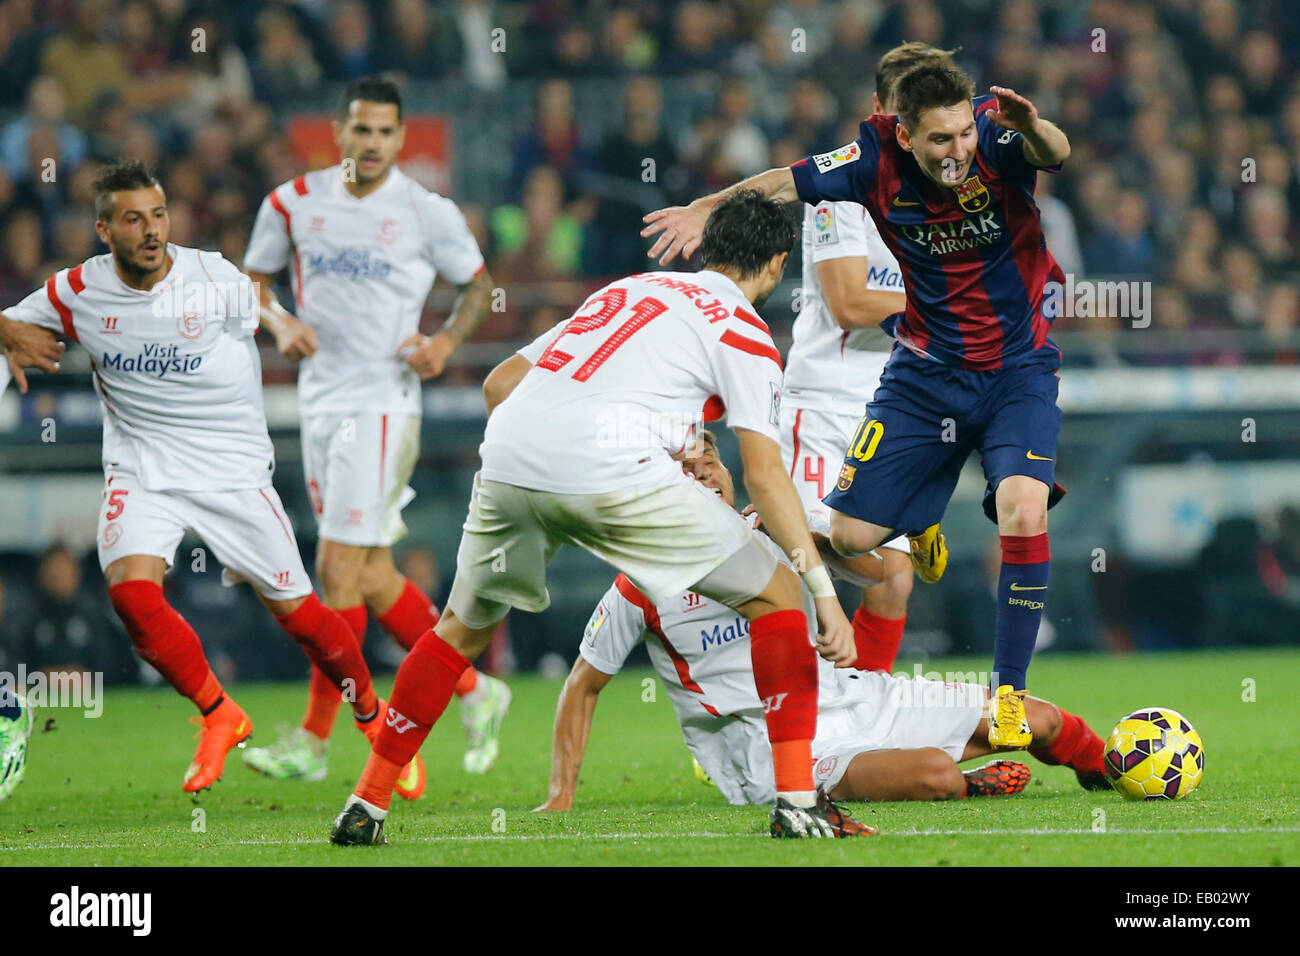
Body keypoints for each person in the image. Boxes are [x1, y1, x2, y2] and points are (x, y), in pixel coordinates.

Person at [331, 191, 866, 846]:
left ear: (708, 248)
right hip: (615, 467)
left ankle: (366, 804)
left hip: (511, 453)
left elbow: (499, 384)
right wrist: (823, 594)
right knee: (777, 593)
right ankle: (797, 803)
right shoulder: (744, 330)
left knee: (457, 632)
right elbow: (763, 475)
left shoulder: (628, 290)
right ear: (779, 261)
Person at [643, 63, 1072, 751]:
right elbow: (781, 182)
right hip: (924, 377)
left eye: (963, 133)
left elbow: (1055, 151)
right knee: (850, 540)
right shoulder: (869, 163)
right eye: (939, 140)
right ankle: (917, 519)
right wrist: (706, 207)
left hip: (1016, 372)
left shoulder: (996, 137)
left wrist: (1033, 126)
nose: (957, 150)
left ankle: (1009, 691)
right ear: (904, 134)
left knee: (1023, 507)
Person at [0, 161, 401, 793]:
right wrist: (5, 331)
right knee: (133, 598)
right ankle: (219, 713)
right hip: (142, 468)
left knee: (301, 617)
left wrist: (284, 325)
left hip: (230, 469)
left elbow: (259, 298)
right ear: (105, 230)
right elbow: (12, 327)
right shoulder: (76, 291)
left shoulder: (209, 276)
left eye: (159, 215)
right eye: (134, 219)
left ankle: (375, 719)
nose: (151, 230)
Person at [536, 431, 1109, 809]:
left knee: (1038, 719)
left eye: (710, 462)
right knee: (935, 773)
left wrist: (807, 539)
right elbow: (583, 685)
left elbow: (878, 571)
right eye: (686, 469)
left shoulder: (776, 530)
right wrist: (562, 793)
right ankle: (960, 785)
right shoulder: (641, 584)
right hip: (771, 749)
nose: (704, 473)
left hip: (857, 697)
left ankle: (1113, 767)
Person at [242, 76, 509, 790]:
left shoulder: (425, 211)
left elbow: (479, 286)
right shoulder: (292, 203)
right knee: (369, 574)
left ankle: (315, 740)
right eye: (361, 129)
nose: (372, 143)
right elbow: (252, 281)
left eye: (385, 132)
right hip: (319, 403)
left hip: (384, 404)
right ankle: (476, 690)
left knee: (334, 569)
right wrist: (279, 323)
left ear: (400, 137)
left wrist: (445, 343)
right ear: (339, 133)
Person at [784, 42, 956, 678]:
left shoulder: (953, 196)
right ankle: (771, 704)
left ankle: (863, 709)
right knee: (798, 571)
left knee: (892, 581)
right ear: (881, 110)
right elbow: (850, 303)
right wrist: (949, 298)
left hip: (896, 405)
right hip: (824, 402)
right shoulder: (844, 188)